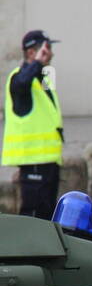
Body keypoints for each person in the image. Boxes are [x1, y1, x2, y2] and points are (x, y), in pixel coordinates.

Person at [2, 30, 62, 220]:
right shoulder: (19, 77)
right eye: (46, 49)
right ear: (30, 52)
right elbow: (21, 84)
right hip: (33, 160)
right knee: (33, 215)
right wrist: (36, 62)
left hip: (48, 160)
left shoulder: (41, 79)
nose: (50, 54)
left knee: (47, 215)